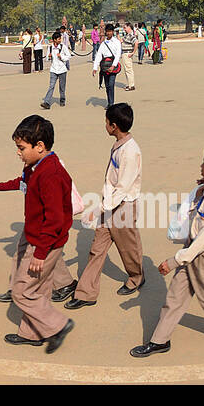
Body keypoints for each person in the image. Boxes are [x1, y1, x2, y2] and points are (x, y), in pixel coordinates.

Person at [131, 140, 204, 357]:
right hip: (191, 250)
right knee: (175, 296)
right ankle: (160, 340)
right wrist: (203, 188)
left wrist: (175, 260)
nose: (200, 167)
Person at [0, 115, 76, 353]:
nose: (18, 153)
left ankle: (58, 325)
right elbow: (22, 182)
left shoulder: (51, 173)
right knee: (40, 288)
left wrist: (40, 253)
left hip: (44, 241)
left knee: (22, 291)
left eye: (21, 148)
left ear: (40, 146)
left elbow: (55, 219)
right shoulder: (34, 166)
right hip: (35, 234)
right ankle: (32, 333)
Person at [66, 103, 143, 308]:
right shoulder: (119, 144)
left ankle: (137, 277)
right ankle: (86, 293)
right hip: (109, 205)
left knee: (128, 248)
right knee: (96, 250)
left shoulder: (130, 151)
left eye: (106, 122)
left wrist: (98, 210)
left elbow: (123, 188)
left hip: (122, 206)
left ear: (114, 126)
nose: (105, 125)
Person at [40, 27, 71, 109]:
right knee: (51, 86)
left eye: (60, 38)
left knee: (62, 87)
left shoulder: (63, 47)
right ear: (54, 40)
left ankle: (62, 100)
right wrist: (49, 57)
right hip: (53, 70)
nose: (60, 40)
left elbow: (68, 56)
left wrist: (61, 57)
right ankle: (46, 102)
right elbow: (46, 59)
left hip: (62, 70)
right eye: (58, 39)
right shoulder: (50, 48)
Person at [92, 27, 122, 107]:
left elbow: (118, 55)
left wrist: (113, 65)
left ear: (112, 32)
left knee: (111, 84)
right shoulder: (103, 43)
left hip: (113, 65)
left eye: (110, 31)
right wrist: (95, 67)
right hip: (104, 66)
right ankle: (109, 102)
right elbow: (98, 55)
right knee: (107, 85)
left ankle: (111, 103)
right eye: (107, 31)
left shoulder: (117, 42)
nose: (108, 33)